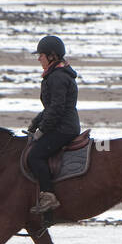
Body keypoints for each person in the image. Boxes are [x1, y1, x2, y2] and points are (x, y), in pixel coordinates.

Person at [26, 35, 81, 214]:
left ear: (52, 56)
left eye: (41, 55)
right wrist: (35, 124)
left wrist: (42, 130)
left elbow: (56, 109)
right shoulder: (56, 75)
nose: (38, 59)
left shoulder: (57, 77)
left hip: (64, 128)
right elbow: (50, 108)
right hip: (61, 124)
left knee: (35, 156)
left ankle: (48, 195)